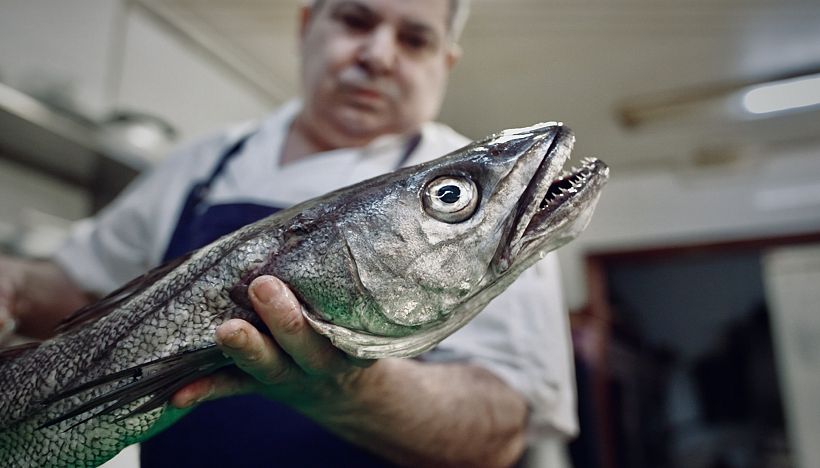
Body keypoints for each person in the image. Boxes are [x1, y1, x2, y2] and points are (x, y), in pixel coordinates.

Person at [0, 0, 578, 466]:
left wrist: (346, 389)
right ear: (308, 25)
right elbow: (80, 293)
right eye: (356, 19)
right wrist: (16, 285)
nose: (378, 55)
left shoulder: (490, 210)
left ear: (444, 63)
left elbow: (496, 434)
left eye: (414, 39)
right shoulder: (208, 160)